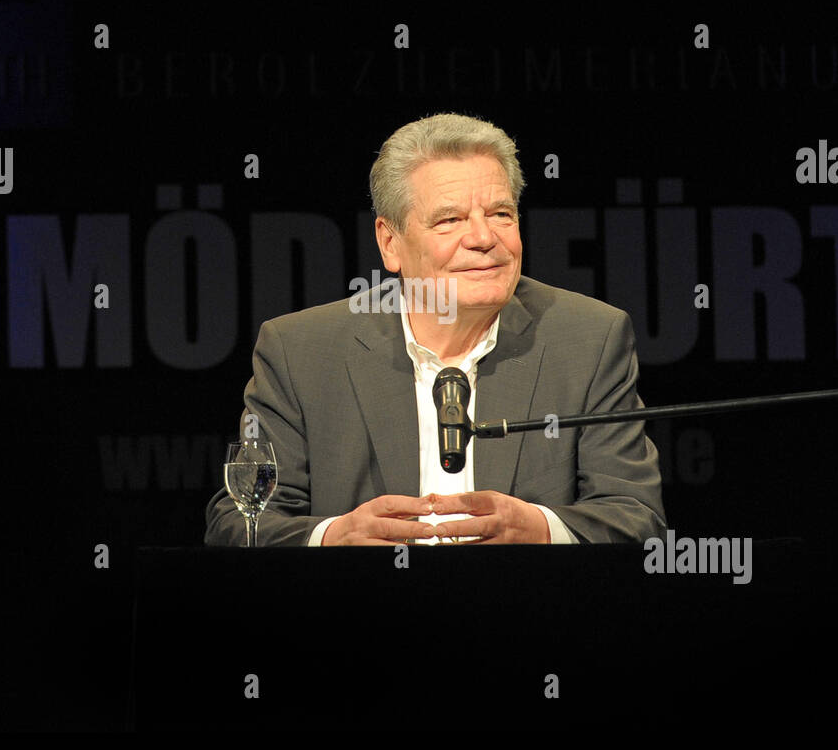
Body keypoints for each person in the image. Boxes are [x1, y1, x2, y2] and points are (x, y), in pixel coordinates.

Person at [204, 113, 664, 546]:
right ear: (390, 243)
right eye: (450, 220)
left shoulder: (589, 339)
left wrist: (544, 529)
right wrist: (333, 537)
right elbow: (239, 519)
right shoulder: (300, 351)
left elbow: (636, 515)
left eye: (502, 214)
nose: (485, 238)